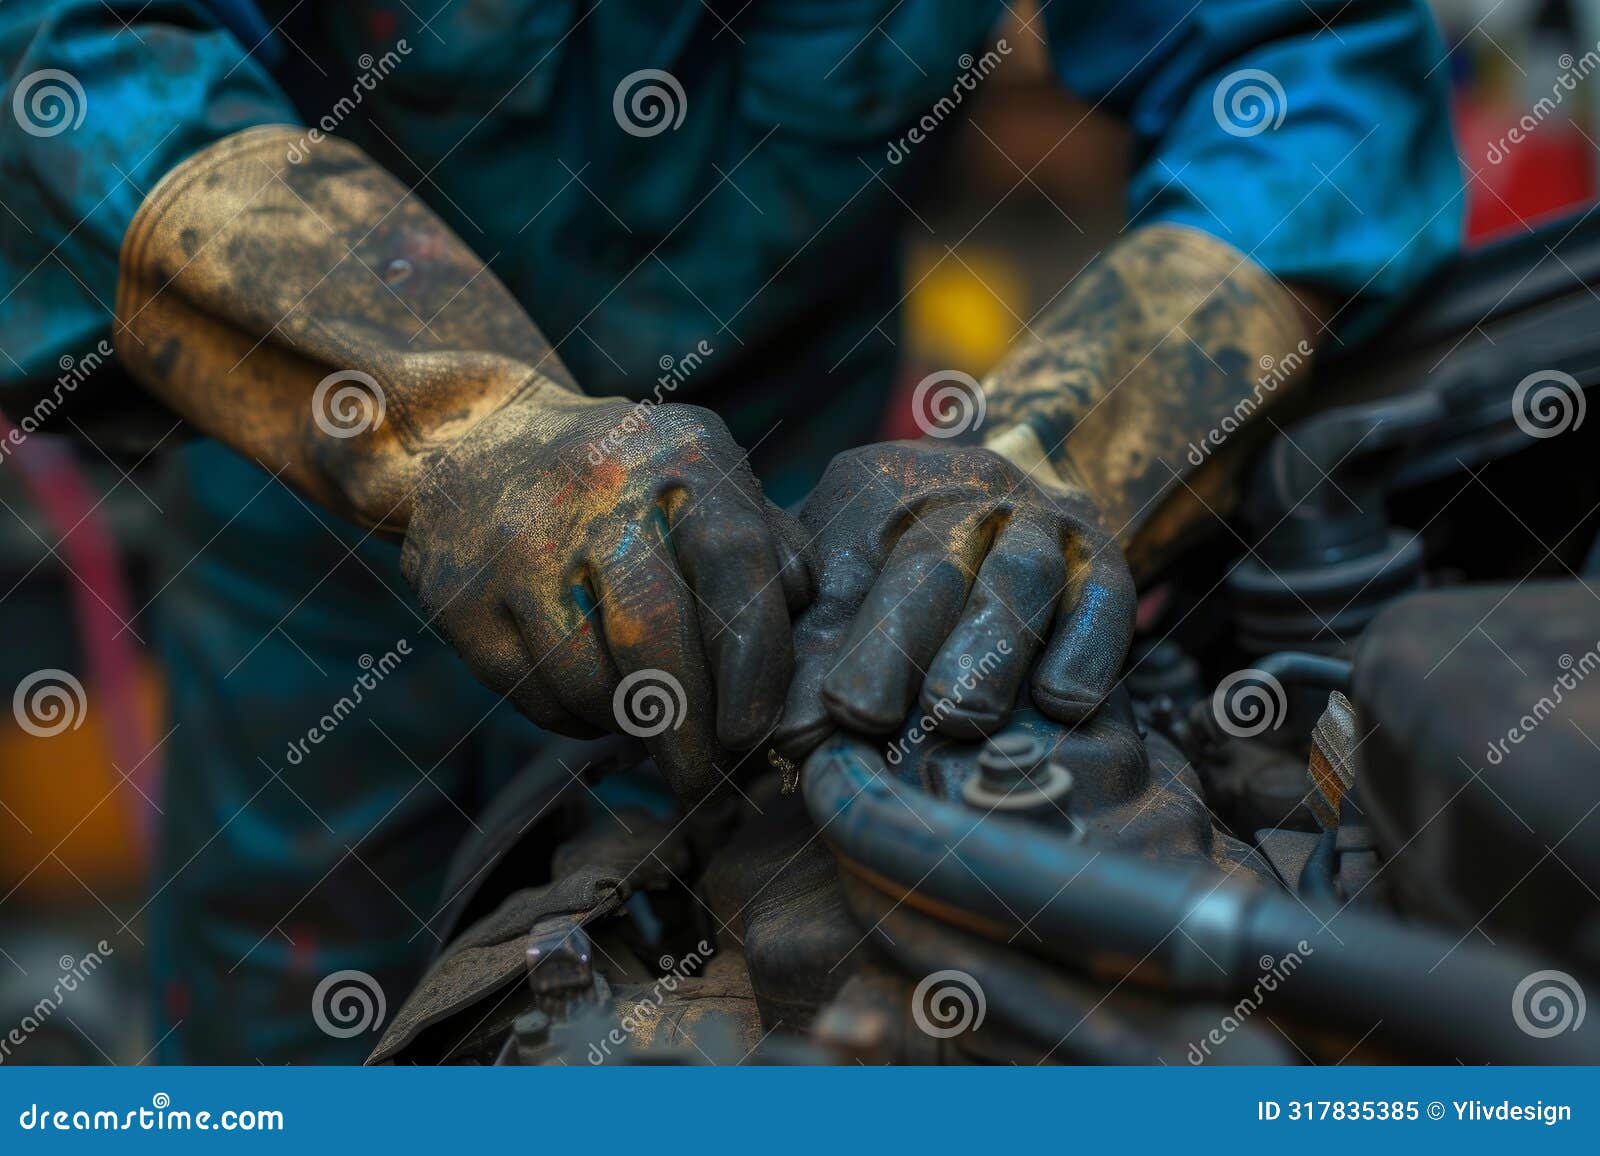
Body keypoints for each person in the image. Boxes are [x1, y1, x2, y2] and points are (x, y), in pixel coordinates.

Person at [0, 0, 1461, 1062]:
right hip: (326, 548)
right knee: (298, 1035)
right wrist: (451, 420)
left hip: (802, 554)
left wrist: (1048, 458)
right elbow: (63, 51)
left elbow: (1310, 55)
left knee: (757, 989)